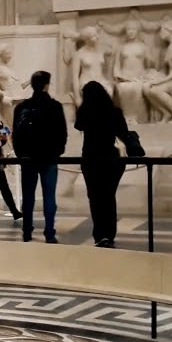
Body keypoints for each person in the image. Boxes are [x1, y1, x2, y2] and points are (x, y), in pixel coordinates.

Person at [74, 81, 132, 247]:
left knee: (95, 197)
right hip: (111, 158)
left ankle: (100, 234)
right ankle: (109, 233)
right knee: (108, 197)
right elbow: (123, 132)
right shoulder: (114, 111)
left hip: (91, 158)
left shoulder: (85, 111)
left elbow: (78, 125)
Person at [11, 70, 67, 243]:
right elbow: (62, 133)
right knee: (49, 197)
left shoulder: (22, 107)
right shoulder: (55, 106)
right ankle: (49, 232)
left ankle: (27, 230)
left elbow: (16, 134)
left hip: (28, 157)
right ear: (46, 85)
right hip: (49, 157)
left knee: (28, 196)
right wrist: (58, 151)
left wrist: (21, 154)